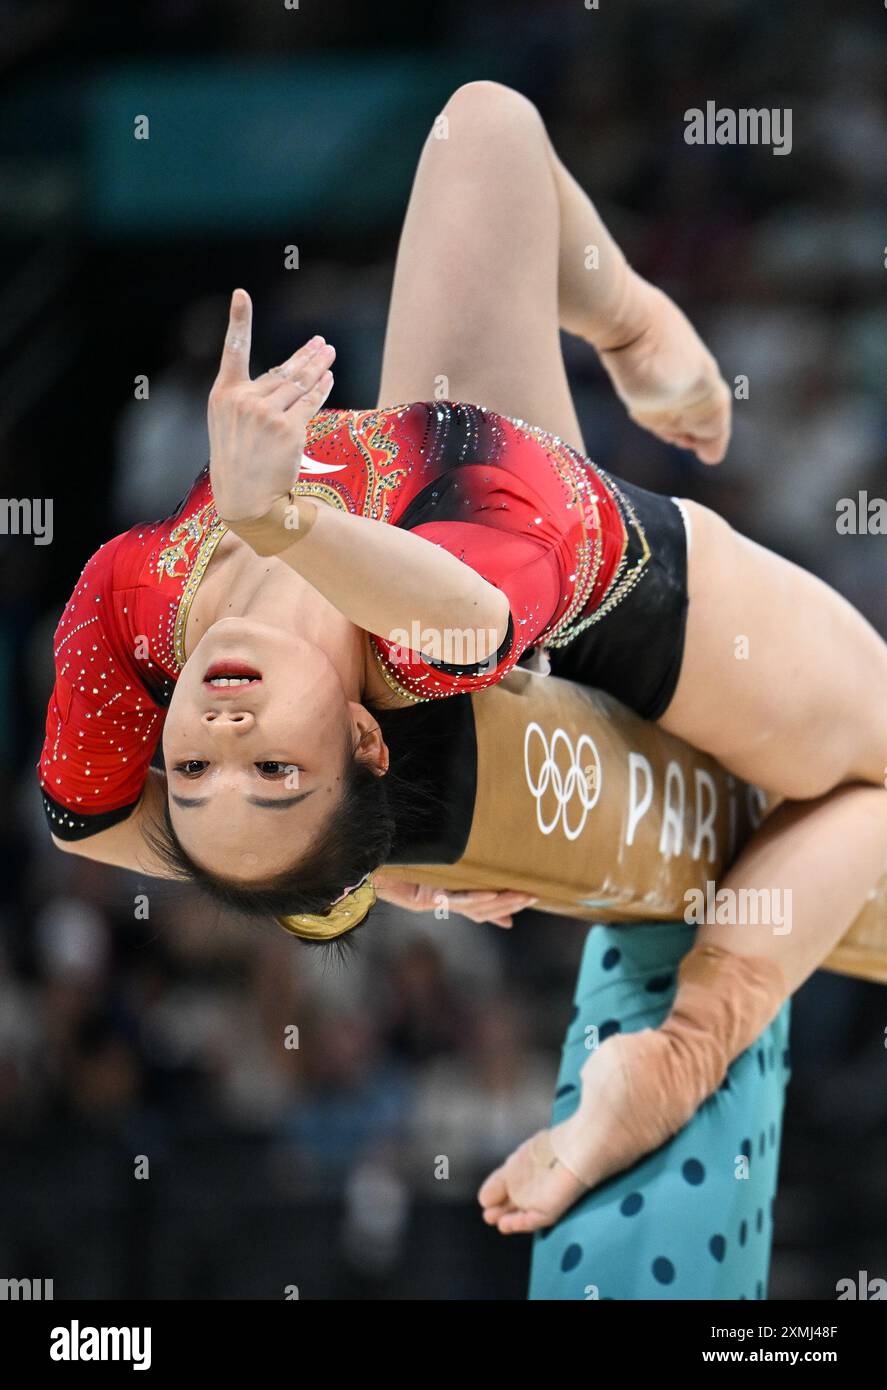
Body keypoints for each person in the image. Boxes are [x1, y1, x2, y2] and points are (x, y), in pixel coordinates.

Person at [40, 81, 887, 1231]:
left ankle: (635, 323)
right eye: (274, 772)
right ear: (356, 735)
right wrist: (276, 518)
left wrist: (346, 873)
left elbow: (78, 820)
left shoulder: (128, 600)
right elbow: (473, 618)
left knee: (483, 127)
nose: (222, 743)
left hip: (479, 449)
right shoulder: (415, 644)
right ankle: (681, 1051)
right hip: (650, 610)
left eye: (191, 771)